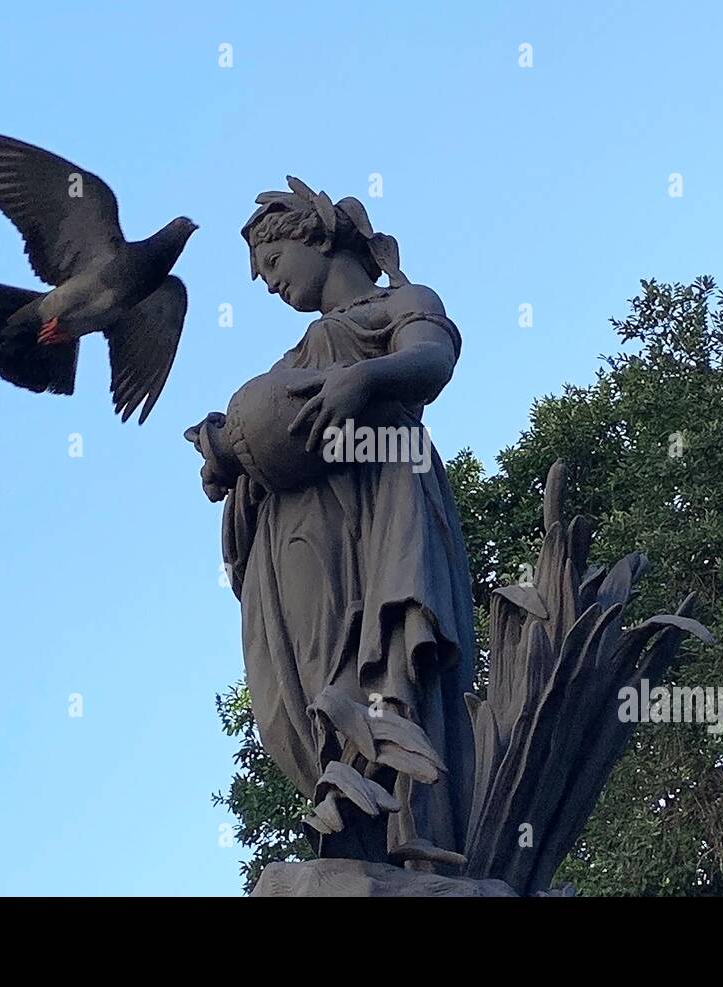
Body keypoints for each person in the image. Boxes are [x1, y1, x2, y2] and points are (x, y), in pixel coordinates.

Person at [190, 179, 476, 866]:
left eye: (274, 263)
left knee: (370, 655)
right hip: (298, 529)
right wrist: (227, 455)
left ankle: (394, 800)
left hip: (379, 505)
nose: (268, 284)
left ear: (315, 237)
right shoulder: (296, 358)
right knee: (305, 672)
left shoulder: (399, 302)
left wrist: (369, 380)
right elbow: (275, 432)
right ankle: (344, 792)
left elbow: (435, 358)